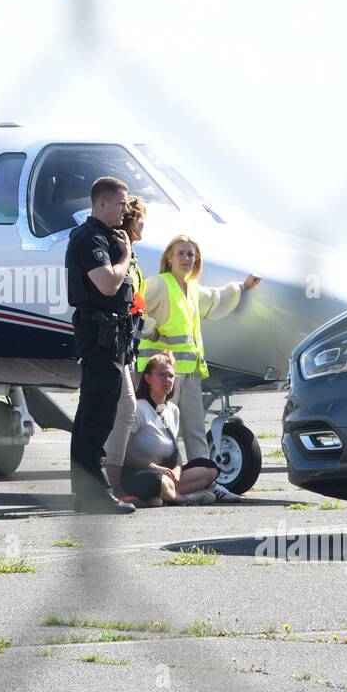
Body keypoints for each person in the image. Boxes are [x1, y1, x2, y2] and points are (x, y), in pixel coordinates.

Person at [138, 235, 262, 465]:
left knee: (195, 432)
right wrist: (151, 331)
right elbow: (135, 308)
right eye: (181, 253)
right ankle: (164, 482)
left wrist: (242, 287)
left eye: (191, 254)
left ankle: (205, 481)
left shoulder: (192, 289)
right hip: (163, 376)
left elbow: (217, 299)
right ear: (169, 257)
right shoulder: (160, 283)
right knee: (163, 432)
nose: (186, 258)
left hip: (191, 373)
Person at [65, 176, 136, 514]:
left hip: (111, 333)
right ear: (101, 203)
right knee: (98, 415)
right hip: (99, 333)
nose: (126, 209)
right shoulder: (89, 237)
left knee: (94, 412)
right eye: (121, 203)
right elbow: (108, 284)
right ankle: (93, 492)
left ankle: (86, 492)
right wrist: (125, 254)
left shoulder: (106, 235)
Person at [120, 352, 219, 507]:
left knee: (210, 469)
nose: (167, 380)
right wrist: (155, 468)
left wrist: (178, 471)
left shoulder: (173, 410)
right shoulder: (138, 408)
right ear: (147, 378)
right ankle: (185, 498)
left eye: (171, 376)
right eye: (161, 375)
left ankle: (163, 495)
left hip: (167, 474)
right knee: (159, 482)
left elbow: (176, 453)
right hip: (141, 473)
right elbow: (124, 452)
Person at [102, 195, 147, 493]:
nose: (145, 225)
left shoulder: (132, 256)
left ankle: (115, 473)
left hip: (130, 342)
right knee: (125, 407)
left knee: (123, 410)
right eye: (142, 219)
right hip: (116, 341)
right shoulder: (121, 251)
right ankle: (112, 479)